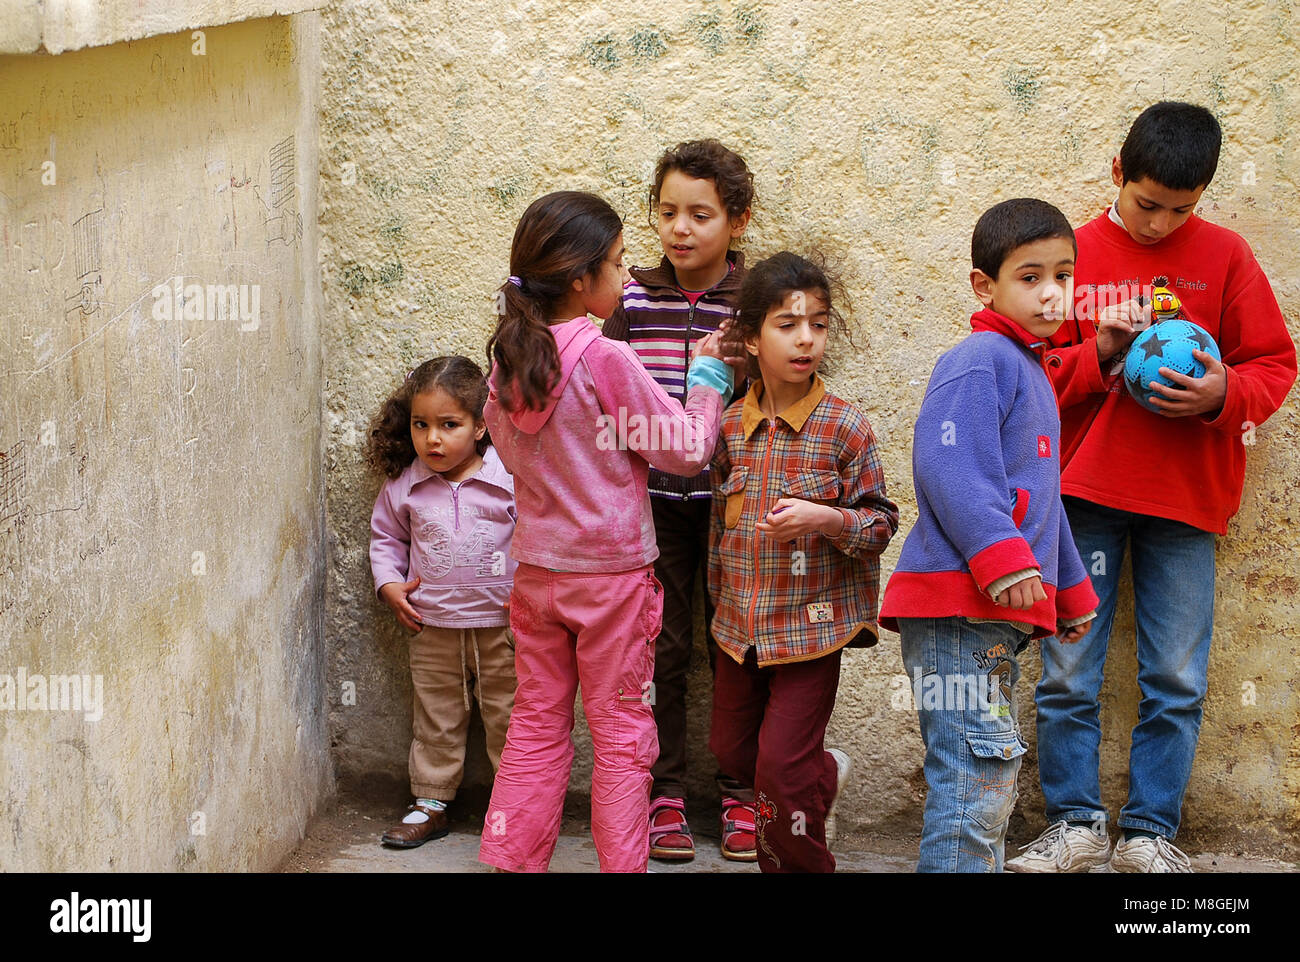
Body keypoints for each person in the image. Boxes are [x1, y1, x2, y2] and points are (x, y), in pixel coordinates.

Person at [1009, 102, 1298, 873]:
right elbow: (1031, 374)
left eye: (1181, 210)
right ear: (1116, 174)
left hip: (1185, 504)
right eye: (1146, 204)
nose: (1160, 224)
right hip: (1085, 498)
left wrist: (1224, 395)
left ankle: (1148, 833)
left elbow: (1274, 365)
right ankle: (1074, 823)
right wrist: (1101, 360)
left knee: (1176, 674)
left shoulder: (1227, 256)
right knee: (1070, 669)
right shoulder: (1067, 255)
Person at [477, 190, 734, 873]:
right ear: (580, 279)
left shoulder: (505, 365)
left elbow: (507, 449)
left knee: (535, 726)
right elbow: (683, 449)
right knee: (622, 734)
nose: (628, 276)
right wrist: (708, 377)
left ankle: (511, 862)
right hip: (612, 583)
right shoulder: (605, 359)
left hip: (536, 577)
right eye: (619, 263)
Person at [879, 199, 1099, 873]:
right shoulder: (982, 358)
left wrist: (1071, 592)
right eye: (1030, 276)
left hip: (991, 618)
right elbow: (948, 464)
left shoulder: (1033, 371)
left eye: (1064, 275)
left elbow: (1041, 500)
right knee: (975, 780)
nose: (1052, 291)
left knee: (987, 778)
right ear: (985, 285)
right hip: (958, 611)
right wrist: (1000, 558)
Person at [708, 251, 899, 873]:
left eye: (818, 323)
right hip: (738, 629)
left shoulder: (845, 428)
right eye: (787, 324)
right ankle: (822, 774)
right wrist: (717, 605)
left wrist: (829, 519)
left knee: (775, 777)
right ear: (751, 337)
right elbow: (720, 528)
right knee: (733, 753)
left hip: (813, 630)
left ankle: (799, 862)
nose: (806, 338)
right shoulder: (730, 425)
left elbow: (881, 522)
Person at [602, 138, 756, 861]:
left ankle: (740, 794)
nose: (680, 229)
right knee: (659, 647)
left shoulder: (757, 303)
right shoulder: (629, 298)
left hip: (734, 502)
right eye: (667, 212)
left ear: (738, 220)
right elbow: (602, 398)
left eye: (700, 214)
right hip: (654, 501)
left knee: (737, 644)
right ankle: (661, 795)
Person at [366, 355, 518, 848]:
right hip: (430, 626)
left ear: (480, 426)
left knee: (510, 714)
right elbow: (386, 538)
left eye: (449, 425)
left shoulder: (508, 477)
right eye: (421, 424)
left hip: (503, 626)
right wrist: (389, 585)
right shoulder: (406, 484)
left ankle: (516, 805)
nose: (433, 438)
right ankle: (430, 802)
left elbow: (537, 537)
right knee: (436, 714)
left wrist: (532, 598)